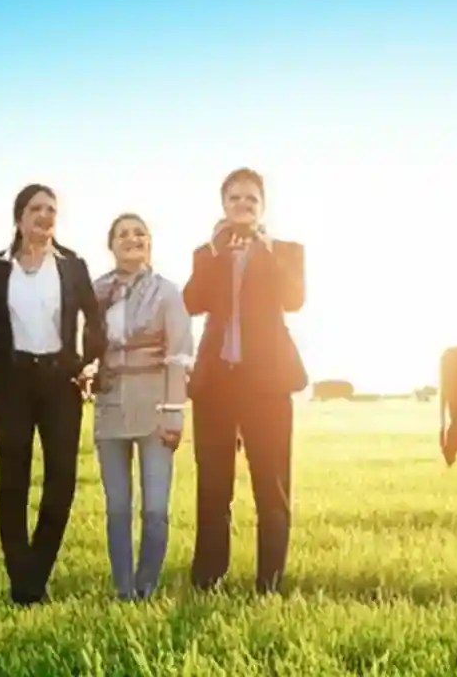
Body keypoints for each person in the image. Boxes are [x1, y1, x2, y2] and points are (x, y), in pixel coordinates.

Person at [184, 167, 307, 594]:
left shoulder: (287, 250)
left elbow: (294, 299)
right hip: (216, 385)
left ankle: (268, 583)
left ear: (262, 206)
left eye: (250, 199)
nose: (242, 205)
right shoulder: (207, 253)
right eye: (234, 198)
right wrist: (216, 255)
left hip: (268, 386)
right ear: (224, 205)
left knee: (271, 487)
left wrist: (269, 252)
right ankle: (207, 578)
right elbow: (192, 302)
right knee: (213, 485)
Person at [0, 184, 103, 605]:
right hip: (12, 382)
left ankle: (38, 572)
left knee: (61, 479)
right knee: (13, 480)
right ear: (19, 216)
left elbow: (95, 319)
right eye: (36, 208)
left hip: (60, 382)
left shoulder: (73, 266)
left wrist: (89, 361)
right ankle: (22, 580)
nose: (45, 215)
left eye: (52, 209)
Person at [89, 212, 193, 600]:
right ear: (110, 244)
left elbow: (179, 353)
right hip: (111, 405)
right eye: (123, 234)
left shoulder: (168, 292)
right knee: (117, 507)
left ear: (150, 242)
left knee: (155, 508)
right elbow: (80, 340)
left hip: (156, 407)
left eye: (140, 233)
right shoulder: (96, 291)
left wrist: (174, 410)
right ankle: (123, 589)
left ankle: (146, 587)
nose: (132, 239)